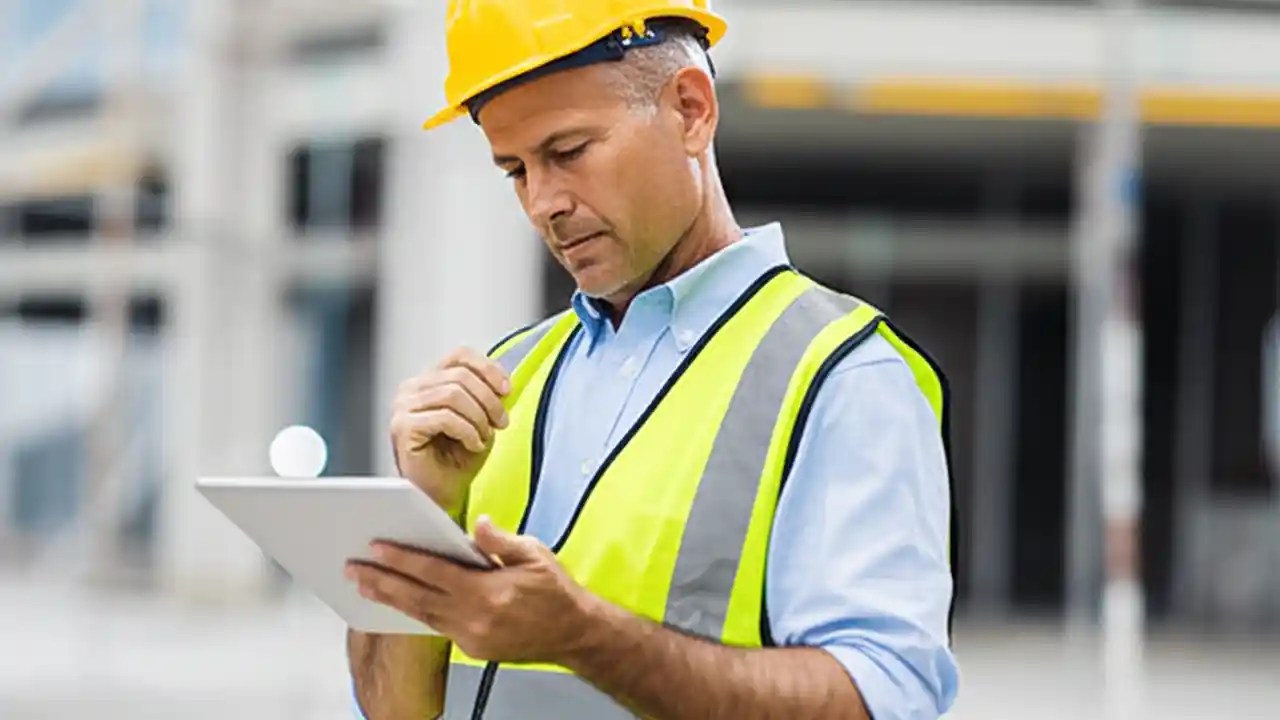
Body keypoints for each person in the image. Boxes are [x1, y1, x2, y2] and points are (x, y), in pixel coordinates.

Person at [345, 1, 958, 718]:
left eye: (568, 152)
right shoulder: (510, 376)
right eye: (514, 170)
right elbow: (392, 711)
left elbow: (884, 702)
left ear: (691, 110)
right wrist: (426, 509)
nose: (543, 202)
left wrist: (584, 637)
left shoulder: (843, 377)